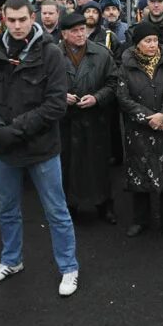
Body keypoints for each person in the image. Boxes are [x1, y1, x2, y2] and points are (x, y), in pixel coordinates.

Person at [0, 0, 78, 295]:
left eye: (23, 19)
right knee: (7, 209)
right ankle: (11, 259)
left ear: (32, 17)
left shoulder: (50, 54)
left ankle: (69, 267)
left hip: (42, 148)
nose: (18, 25)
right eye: (12, 20)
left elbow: (56, 105)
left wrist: (15, 129)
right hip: (4, 149)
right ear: (3, 19)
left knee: (56, 211)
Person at [116, 23, 163, 241]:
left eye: (155, 40)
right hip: (139, 131)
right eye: (147, 41)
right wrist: (150, 119)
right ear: (137, 44)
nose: (152, 45)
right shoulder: (126, 66)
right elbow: (123, 98)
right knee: (140, 176)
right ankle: (140, 220)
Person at [58, 13, 118, 224]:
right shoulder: (53, 55)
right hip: (65, 121)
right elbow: (43, 84)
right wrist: (60, 96)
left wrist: (97, 98)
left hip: (95, 120)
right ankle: (70, 205)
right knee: (68, 166)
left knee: (98, 165)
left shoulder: (102, 54)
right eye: (74, 31)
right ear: (64, 34)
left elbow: (113, 83)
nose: (80, 34)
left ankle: (103, 204)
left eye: (82, 29)